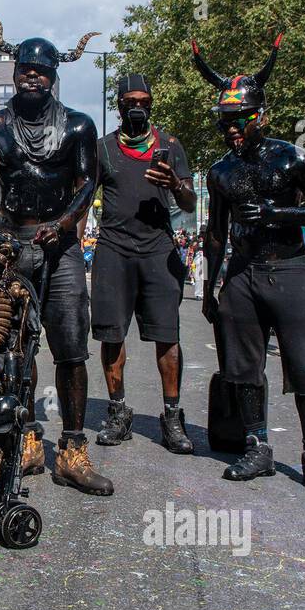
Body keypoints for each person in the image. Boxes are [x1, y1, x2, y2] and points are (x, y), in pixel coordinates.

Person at [0, 17, 112, 496]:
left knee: (71, 348)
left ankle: (72, 450)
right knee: (9, 348)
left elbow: (86, 184)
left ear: (54, 75)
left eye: (42, 69)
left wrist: (65, 223)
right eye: (25, 68)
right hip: (10, 247)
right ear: (14, 73)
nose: (33, 75)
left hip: (61, 248)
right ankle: (28, 438)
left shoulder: (78, 125)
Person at [195, 34, 305, 496]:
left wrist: (280, 213)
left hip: (291, 270)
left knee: (304, 368)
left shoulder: (292, 157)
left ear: (260, 116)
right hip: (243, 274)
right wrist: (209, 289)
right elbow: (215, 232)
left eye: (240, 120)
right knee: (242, 369)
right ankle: (257, 447)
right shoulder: (220, 171)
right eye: (226, 122)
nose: (233, 129)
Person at [91, 73, 197, 455]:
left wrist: (174, 182)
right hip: (113, 251)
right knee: (111, 335)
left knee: (167, 337)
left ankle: (171, 417)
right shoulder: (103, 148)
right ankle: (118, 412)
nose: (137, 107)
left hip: (157, 252)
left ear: (151, 104)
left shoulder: (169, 145)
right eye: (129, 101)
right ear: (118, 106)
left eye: (143, 101)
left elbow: (189, 202)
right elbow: (83, 196)